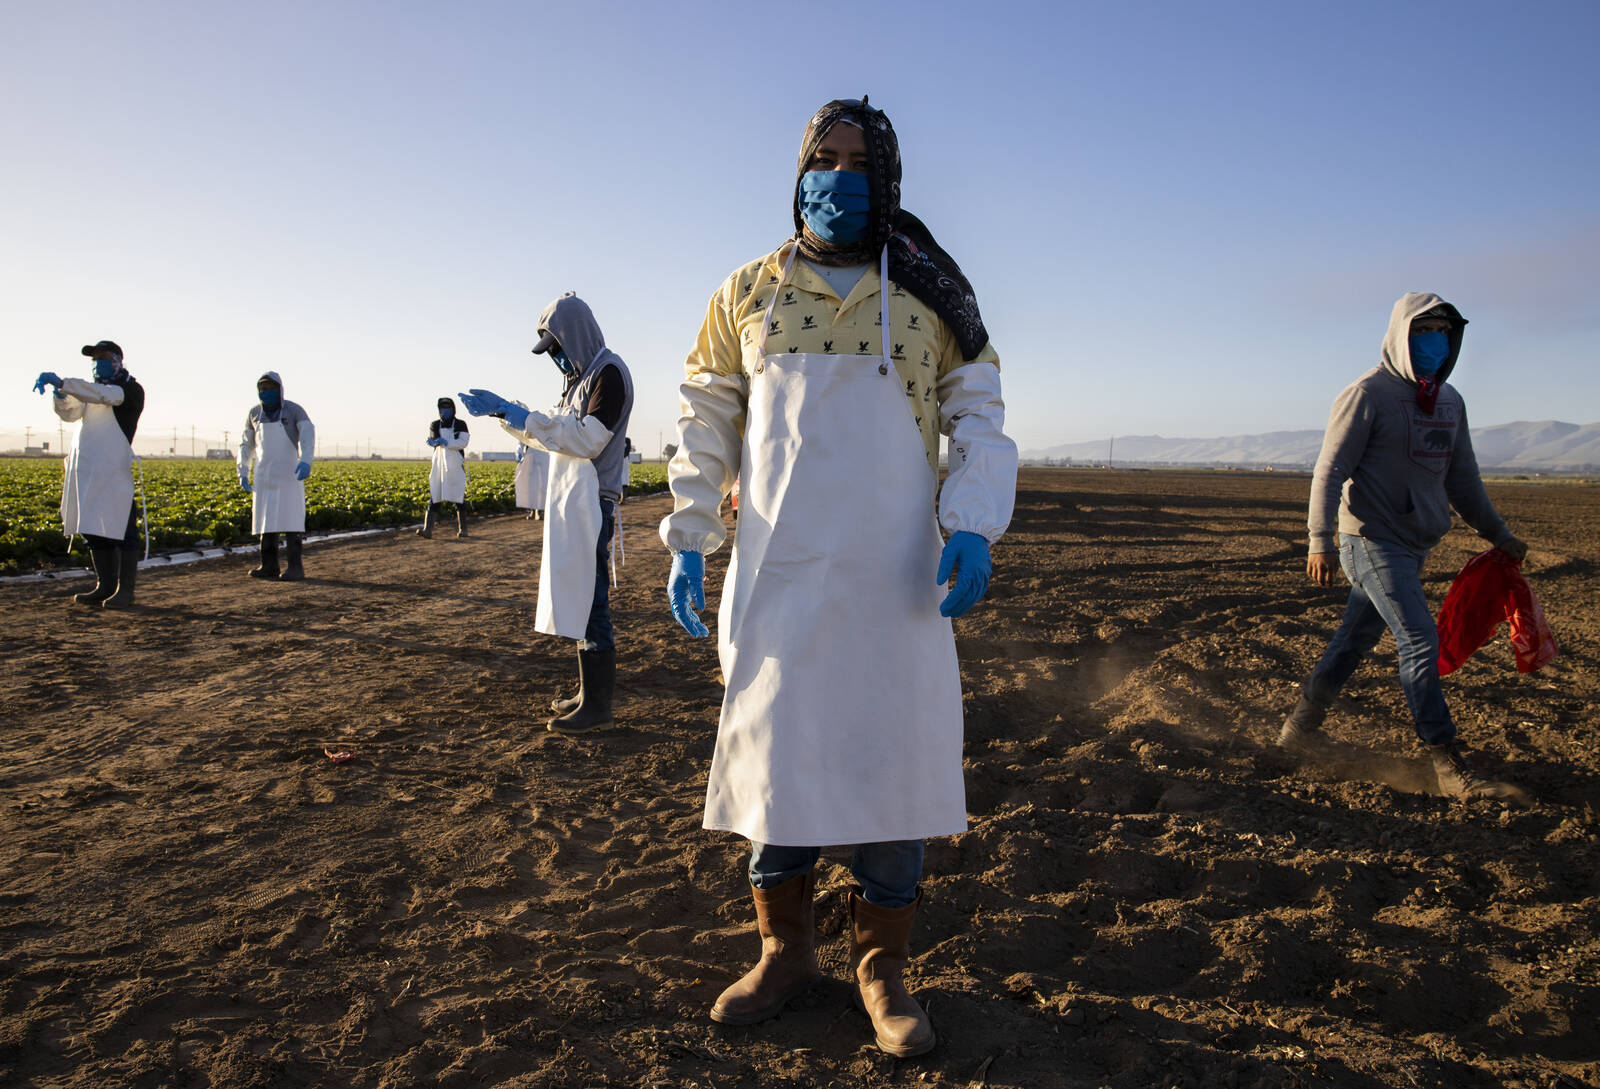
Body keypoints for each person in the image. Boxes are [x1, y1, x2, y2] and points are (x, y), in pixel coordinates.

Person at [659, 97, 1017, 1057]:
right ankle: (785, 952)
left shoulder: (934, 298)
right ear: (798, 167)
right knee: (779, 770)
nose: (840, 177)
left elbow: (979, 412)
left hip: (897, 587)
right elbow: (706, 418)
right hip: (780, 583)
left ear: (888, 177)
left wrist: (973, 522)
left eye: (860, 162)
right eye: (826, 157)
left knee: (889, 772)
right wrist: (691, 532)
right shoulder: (748, 291)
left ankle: (882, 968)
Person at [1281, 292, 1529, 801]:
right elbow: (1330, 470)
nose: (1435, 340)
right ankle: (1446, 762)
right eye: (1424, 330)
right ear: (1401, 333)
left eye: (1443, 330)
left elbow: (1464, 481)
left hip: (1415, 544)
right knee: (1419, 639)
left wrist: (1499, 535)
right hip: (1368, 538)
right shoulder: (1367, 393)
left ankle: (1297, 730)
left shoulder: (1450, 402)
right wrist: (1319, 539)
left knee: (1351, 642)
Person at [459, 291, 634, 733]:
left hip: (593, 502)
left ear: (573, 337)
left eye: (555, 348)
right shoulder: (579, 379)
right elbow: (551, 434)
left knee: (592, 601)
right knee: (577, 594)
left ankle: (599, 704)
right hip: (572, 502)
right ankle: (585, 690)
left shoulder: (608, 374)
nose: (554, 358)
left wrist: (521, 415)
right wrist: (509, 414)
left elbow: (585, 440)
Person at [32, 340, 146, 607]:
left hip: (113, 469)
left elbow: (104, 395)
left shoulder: (129, 389)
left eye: (105, 358)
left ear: (119, 361)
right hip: (87, 469)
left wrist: (64, 382)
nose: (99, 364)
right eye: (95, 359)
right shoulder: (92, 391)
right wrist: (61, 396)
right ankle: (104, 585)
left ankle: (125, 590)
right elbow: (71, 413)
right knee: (93, 528)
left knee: (123, 528)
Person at [238, 372, 315, 581]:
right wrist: (243, 471)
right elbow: (246, 444)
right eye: (262, 388)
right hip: (264, 475)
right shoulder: (254, 413)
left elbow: (308, 433)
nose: (266, 392)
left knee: (291, 521)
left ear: (279, 389)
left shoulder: (293, 410)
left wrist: (306, 460)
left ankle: (295, 567)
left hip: (290, 474)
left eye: (271, 388)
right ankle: (268, 565)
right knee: (266, 521)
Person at [418, 396, 470, 539]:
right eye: (442, 408)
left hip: (455, 464)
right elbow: (434, 439)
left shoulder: (460, 424)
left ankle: (463, 529)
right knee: (435, 495)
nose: (444, 411)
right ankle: (427, 529)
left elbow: (463, 442)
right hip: (439, 465)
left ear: (453, 410)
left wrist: (446, 442)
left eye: (447, 408)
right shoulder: (435, 425)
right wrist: (433, 442)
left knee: (458, 496)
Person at [514, 440, 549, 520]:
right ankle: (533, 510)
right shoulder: (528, 427)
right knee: (531, 485)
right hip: (531, 456)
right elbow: (522, 439)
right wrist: (519, 451)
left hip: (545, 455)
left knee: (543, 485)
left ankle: (540, 511)